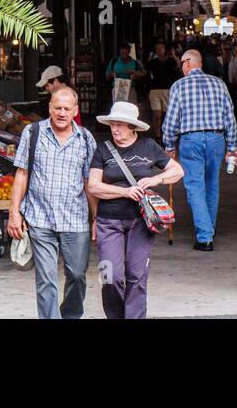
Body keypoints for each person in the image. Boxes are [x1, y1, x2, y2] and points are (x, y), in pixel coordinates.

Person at [7, 87, 97, 319]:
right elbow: (22, 174)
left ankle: (70, 315)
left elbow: (89, 183)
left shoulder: (86, 139)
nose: (62, 113)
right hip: (40, 218)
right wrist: (14, 212)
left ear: (75, 110)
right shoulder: (33, 132)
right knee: (46, 279)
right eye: (57, 107)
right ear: (50, 108)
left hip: (75, 219)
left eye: (67, 108)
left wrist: (97, 218)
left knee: (77, 275)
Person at [87, 101, 183, 319]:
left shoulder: (149, 146)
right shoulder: (102, 149)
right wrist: (125, 192)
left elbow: (177, 171)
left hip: (141, 222)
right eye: (113, 124)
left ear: (133, 127)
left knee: (136, 276)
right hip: (108, 221)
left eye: (121, 125)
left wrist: (155, 179)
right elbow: (93, 186)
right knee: (110, 277)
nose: (115, 129)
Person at [162, 49, 237, 251]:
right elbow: (230, 117)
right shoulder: (219, 84)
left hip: (191, 139)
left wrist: (169, 146)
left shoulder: (179, 86)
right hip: (216, 138)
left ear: (187, 62)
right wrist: (232, 147)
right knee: (211, 184)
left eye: (182, 63)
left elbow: (171, 121)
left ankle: (205, 237)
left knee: (195, 186)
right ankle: (208, 229)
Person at [143, 41, 179, 139]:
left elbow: (180, 66)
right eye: (157, 49)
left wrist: (174, 55)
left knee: (167, 115)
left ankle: (166, 134)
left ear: (165, 49)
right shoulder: (153, 62)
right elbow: (144, 71)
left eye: (161, 48)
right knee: (157, 115)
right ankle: (158, 136)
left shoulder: (171, 61)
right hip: (155, 90)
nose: (159, 51)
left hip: (167, 90)